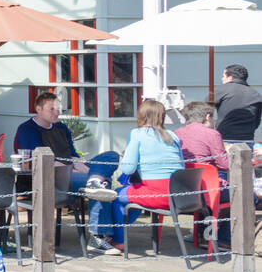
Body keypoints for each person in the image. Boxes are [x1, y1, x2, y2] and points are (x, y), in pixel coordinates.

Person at [14, 90, 118, 254]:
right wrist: (72, 166)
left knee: (110, 156)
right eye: (52, 109)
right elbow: (39, 160)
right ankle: (98, 236)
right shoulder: (27, 129)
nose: (57, 113)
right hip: (49, 179)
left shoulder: (62, 128)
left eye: (58, 109)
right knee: (103, 184)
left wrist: (80, 164)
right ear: (38, 109)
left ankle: (94, 180)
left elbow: (72, 154)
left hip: (72, 173)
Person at [106, 99, 187, 251]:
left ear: (141, 115)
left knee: (117, 196)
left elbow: (128, 169)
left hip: (156, 194)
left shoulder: (137, 134)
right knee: (132, 198)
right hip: (178, 195)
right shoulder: (173, 136)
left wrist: (126, 156)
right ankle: (115, 235)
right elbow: (181, 164)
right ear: (162, 116)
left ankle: (117, 240)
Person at [215, 64, 262, 144]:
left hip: (224, 140)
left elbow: (204, 110)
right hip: (247, 140)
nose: (222, 79)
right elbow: (257, 122)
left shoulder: (221, 90)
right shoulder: (256, 95)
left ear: (230, 78)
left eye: (223, 76)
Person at [177, 101, 229, 172]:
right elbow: (224, 164)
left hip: (182, 177)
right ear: (207, 117)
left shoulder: (176, 133)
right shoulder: (212, 134)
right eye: (212, 117)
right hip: (206, 177)